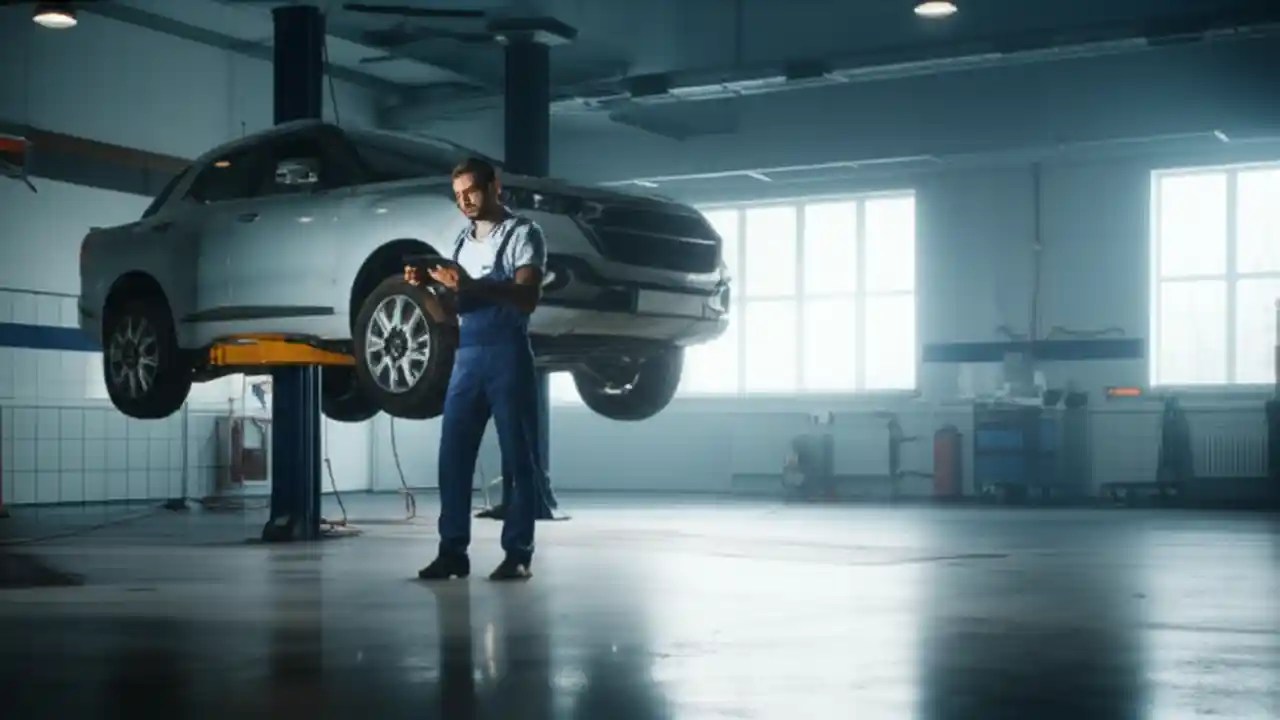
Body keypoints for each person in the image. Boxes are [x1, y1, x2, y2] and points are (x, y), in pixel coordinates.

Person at [405, 157, 549, 582]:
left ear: (494, 186)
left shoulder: (524, 234)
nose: (464, 201)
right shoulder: (460, 245)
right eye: (457, 196)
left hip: (507, 353)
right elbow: (449, 314)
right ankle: (452, 553)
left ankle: (518, 554)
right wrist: (426, 290)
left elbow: (526, 297)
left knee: (519, 459)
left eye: (471, 191)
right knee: (453, 457)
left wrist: (469, 285)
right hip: (467, 358)